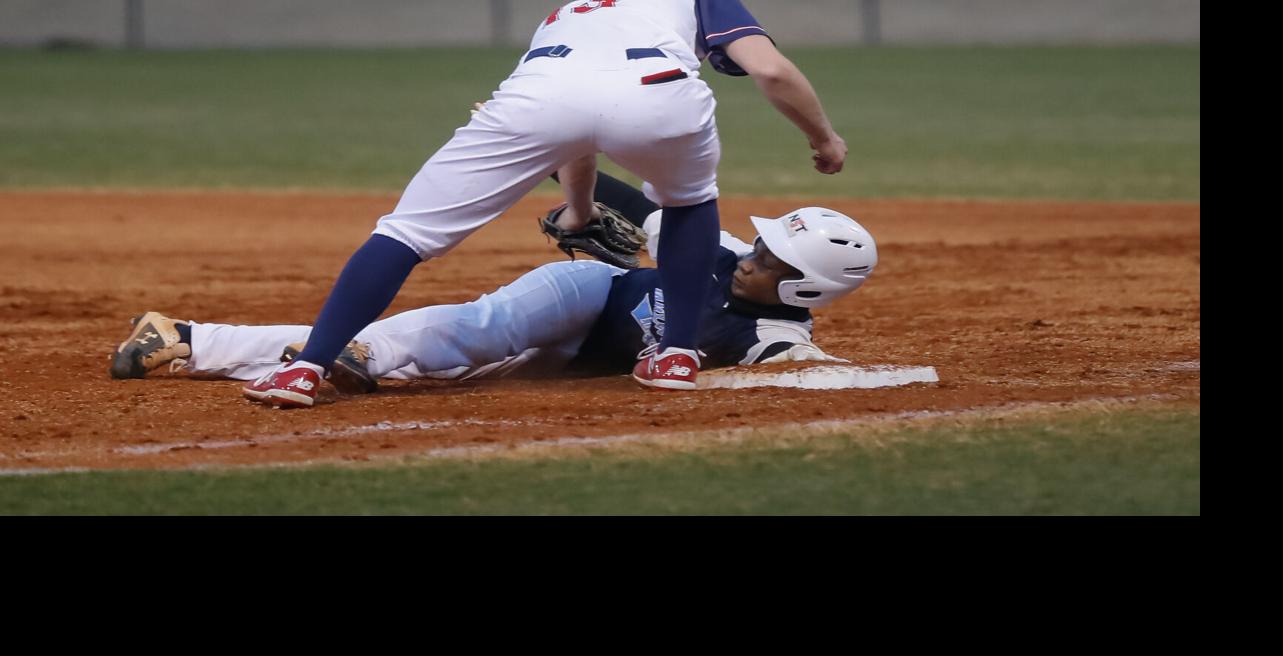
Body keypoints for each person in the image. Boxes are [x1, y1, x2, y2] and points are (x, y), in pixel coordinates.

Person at [242, 0, 849, 408]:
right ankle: (675, 357)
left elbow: (576, 129)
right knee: (690, 202)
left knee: (404, 233)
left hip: (539, 94)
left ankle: (305, 369)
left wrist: (579, 212)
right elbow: (770, 72)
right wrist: (823, 137)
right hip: (660, 92)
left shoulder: (568, 13)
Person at [110, 186, 879, 398]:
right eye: (766, 242)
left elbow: (825, 372)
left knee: (432, 370)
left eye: (775, 257)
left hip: (574, 365)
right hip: (583, 292)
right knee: (480, 323)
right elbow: (644, 205)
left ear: (806, 285)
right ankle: (359, 350)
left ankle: (187, 334)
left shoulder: (775, 342)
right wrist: (546, 155)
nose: (757, 252)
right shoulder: (722, 249)